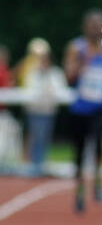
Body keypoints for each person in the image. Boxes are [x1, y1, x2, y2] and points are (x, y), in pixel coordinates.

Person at [63, 10, 102, 211]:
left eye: (99, 25)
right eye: (92, 25)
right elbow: (68, 77)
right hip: (80, 108)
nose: (95, 29)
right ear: (84, 27)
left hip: (101, 107)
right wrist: (82, 63)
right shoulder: (76, 48)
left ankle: (98, 179)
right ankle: (79, 189)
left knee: (98, 145)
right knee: (79, 152)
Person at [19, 39, 66, 174]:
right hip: (35, 110)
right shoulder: (32, 72)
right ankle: (35, 164)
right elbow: (29, 89)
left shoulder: (55, 73)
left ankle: (41, 163)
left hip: (49, 111)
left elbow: (59, 90)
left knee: (45, 137)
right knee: (35, 137)